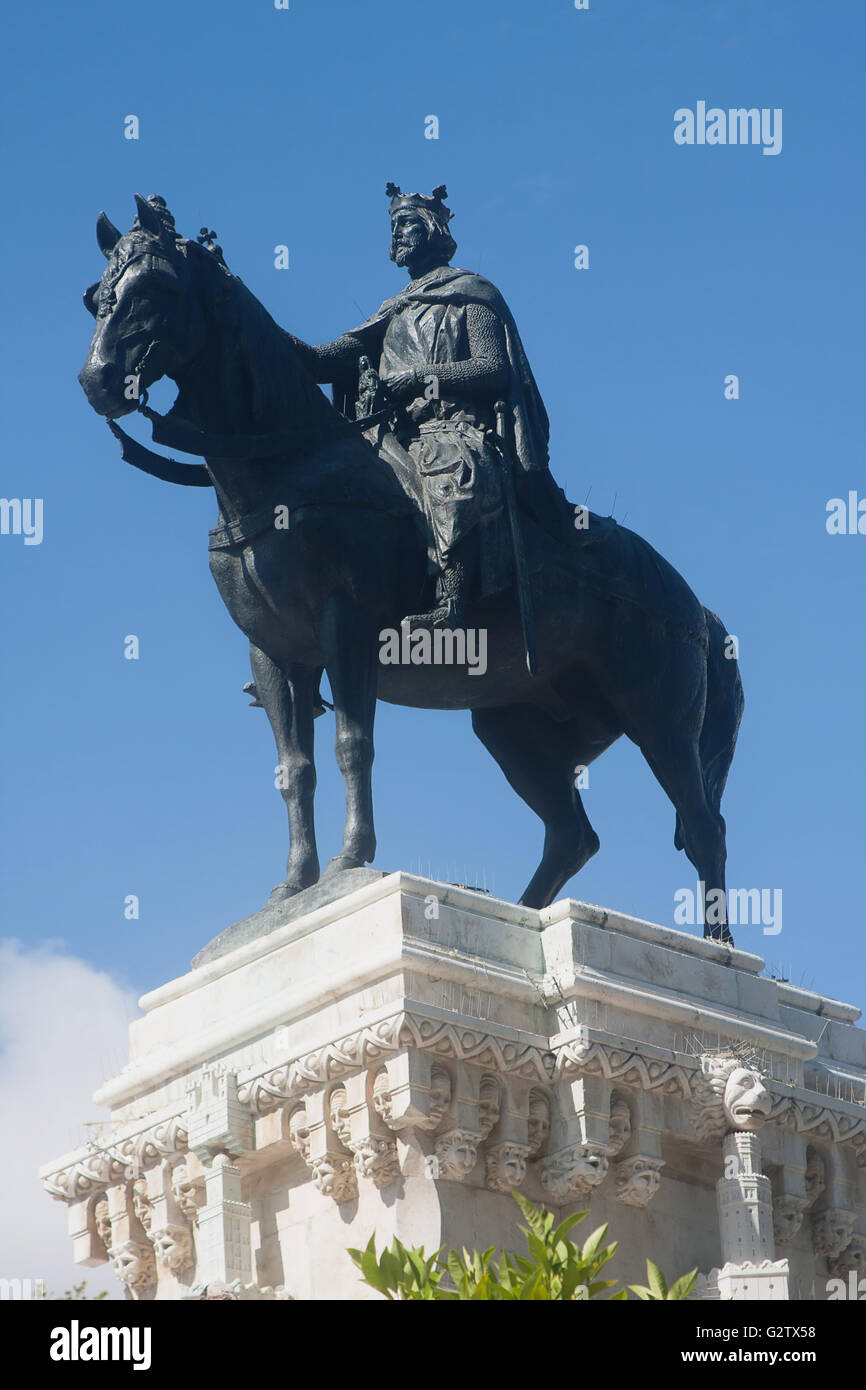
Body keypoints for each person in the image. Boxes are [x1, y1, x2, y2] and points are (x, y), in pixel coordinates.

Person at [289, 184, 571, 628]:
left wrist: (423, 379)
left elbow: (493, 368)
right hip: (395, 436)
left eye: (406, 224)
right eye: (394, 226)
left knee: (450, 471)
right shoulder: (392, 311)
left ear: (432, 229)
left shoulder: (470, 294)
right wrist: (258, 326)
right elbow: (322, 361)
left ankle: (452, 602)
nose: (397, 234)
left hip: (456, 430)